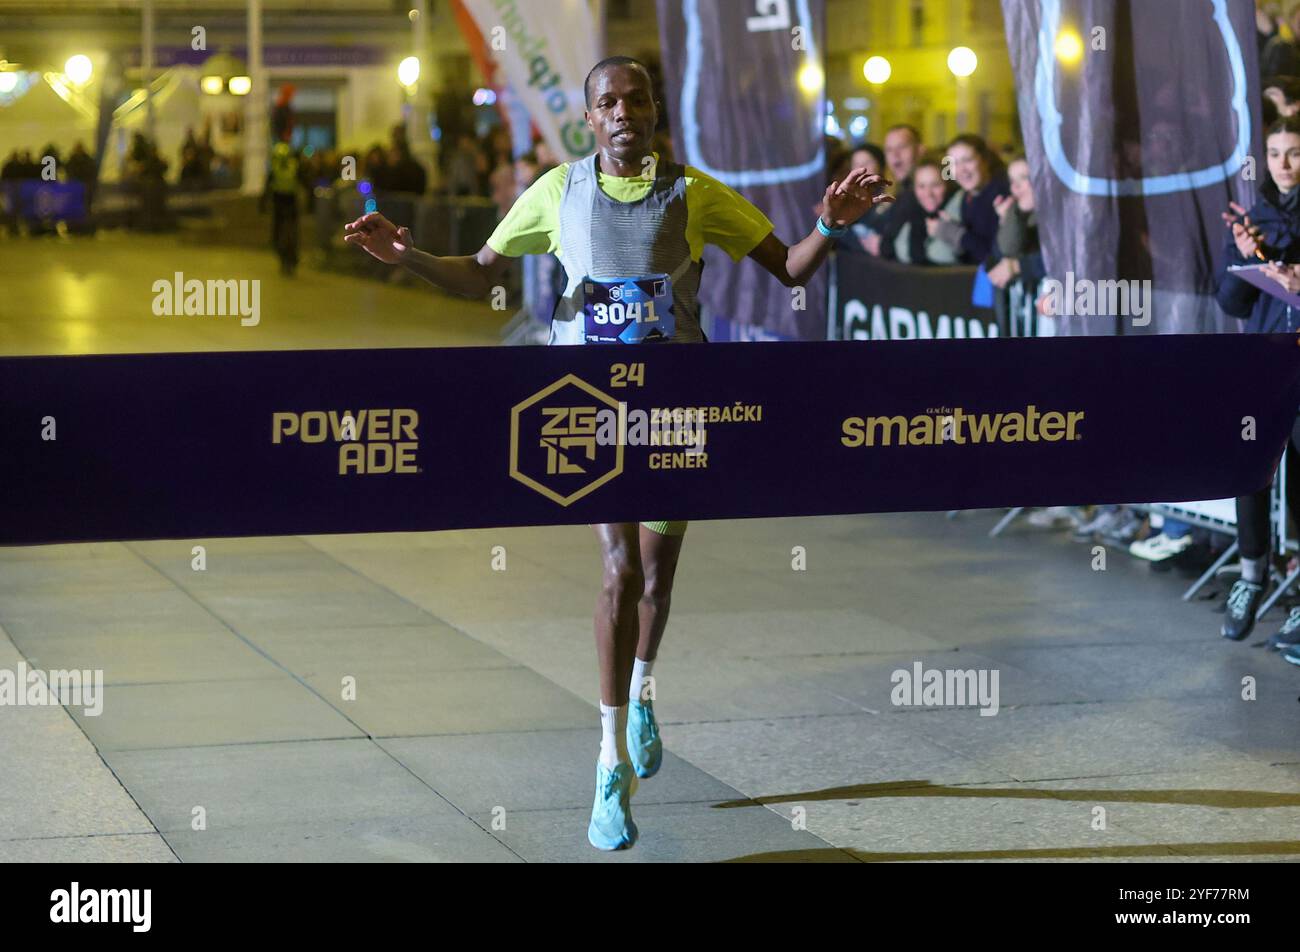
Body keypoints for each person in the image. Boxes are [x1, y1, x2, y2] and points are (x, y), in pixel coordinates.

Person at [343, 55, 888, 850]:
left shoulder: (695, 193)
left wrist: (833, 226)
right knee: (618, 570)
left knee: (658, 580)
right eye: (609, 102)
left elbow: (789, 269)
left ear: (655, 112)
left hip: (676, 408)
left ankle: (642, 691)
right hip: (590, 412)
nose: (624, 110)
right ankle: (607, 765)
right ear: (590, 120)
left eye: (637, 99)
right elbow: (479, 274)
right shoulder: (558, 192)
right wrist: (409, 257)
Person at [1215, 115, 1300, 648]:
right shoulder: (1255, 217)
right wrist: (1245, 260)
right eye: (1274, 153)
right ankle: (1251, 576)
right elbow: (1231, 302)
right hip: (1265, 359)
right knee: (1249, 466)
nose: (1284, 164)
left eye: (1294, 152)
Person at [928, 134, 1008, 264]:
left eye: (968, 160)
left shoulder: (1001, 196)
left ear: (985, 160)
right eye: (954, 163)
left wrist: (955, 233)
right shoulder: (967, 196)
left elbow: (995, 258)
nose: (961, 170)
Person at [882, 155, 962, 265]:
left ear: (947, 185)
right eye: (921, 186)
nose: (928, 194)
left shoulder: (958, 208)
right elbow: (885, 247)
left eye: (935, 185)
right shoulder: (908, 207)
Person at [260, 139, 304, 276]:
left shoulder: (274, 169)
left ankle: (284, 259)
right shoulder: (295, 167)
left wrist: (262, 205)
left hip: (279, 206)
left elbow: (267, 188)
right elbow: (304, 183)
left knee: (278, 234)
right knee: (292, 234)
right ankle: (292, 259)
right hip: (291, 206)